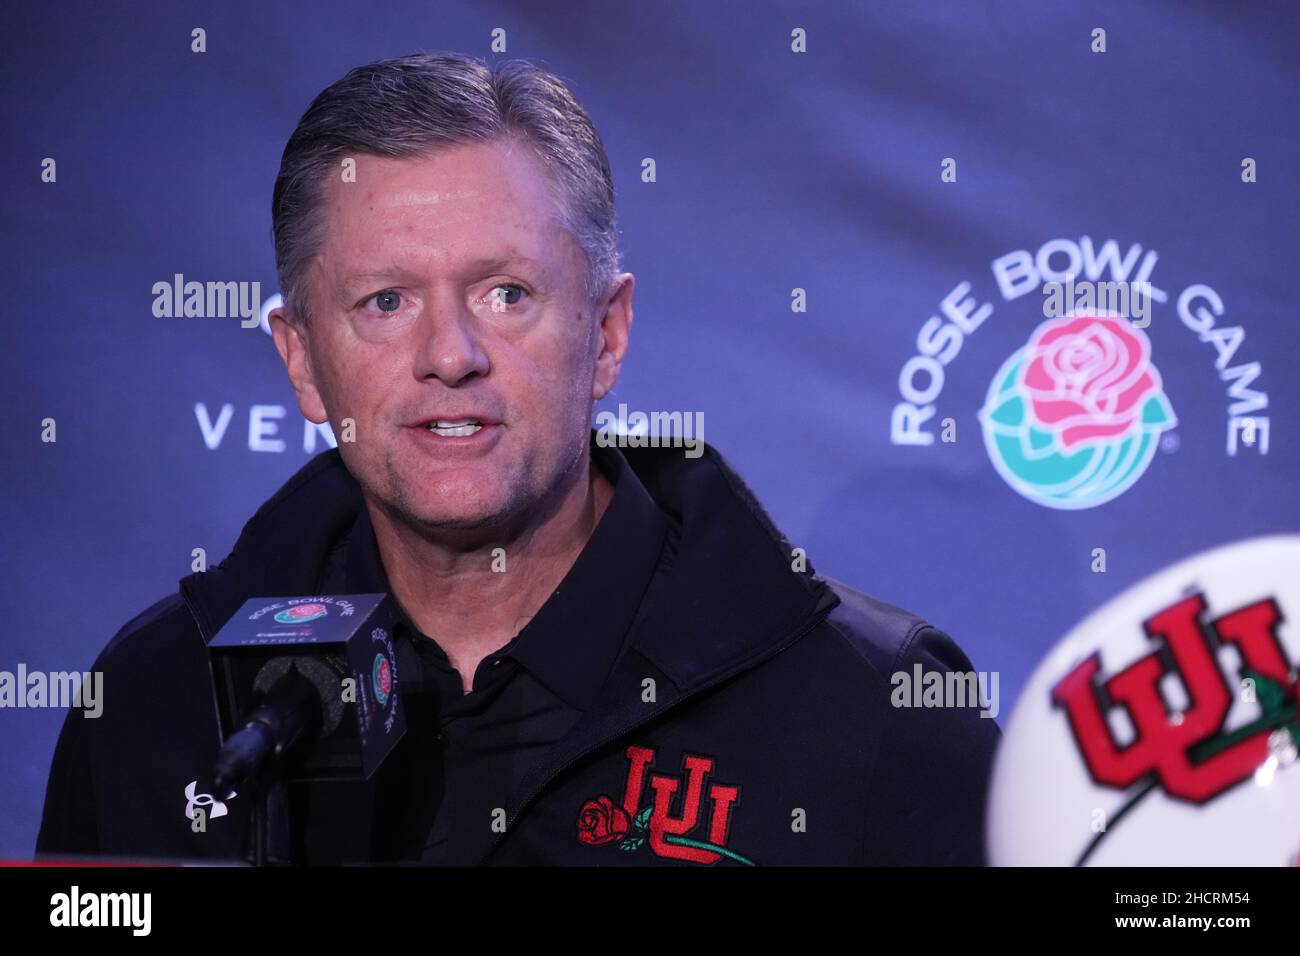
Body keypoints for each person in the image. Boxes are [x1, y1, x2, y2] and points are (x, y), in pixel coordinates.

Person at [36, 51, 999, 866]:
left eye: (504, 293)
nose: (450, 355)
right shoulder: (159, 702)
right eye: (385, 302)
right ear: (302, 361)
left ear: (608, 334)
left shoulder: (873, 708)